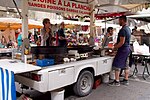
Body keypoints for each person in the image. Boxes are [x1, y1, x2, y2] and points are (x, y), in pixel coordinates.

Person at [109, 15, 131, 86]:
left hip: (123, 49)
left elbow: (122, 42)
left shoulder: (123, 30)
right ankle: (126, 80)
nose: (118, 22)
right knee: (126, 65)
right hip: (127, 49)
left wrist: (114, 48)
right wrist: (116, 44)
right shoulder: (128, 29)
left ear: (122, 20)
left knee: (117, 64)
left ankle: (117, 81)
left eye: (119, 20)